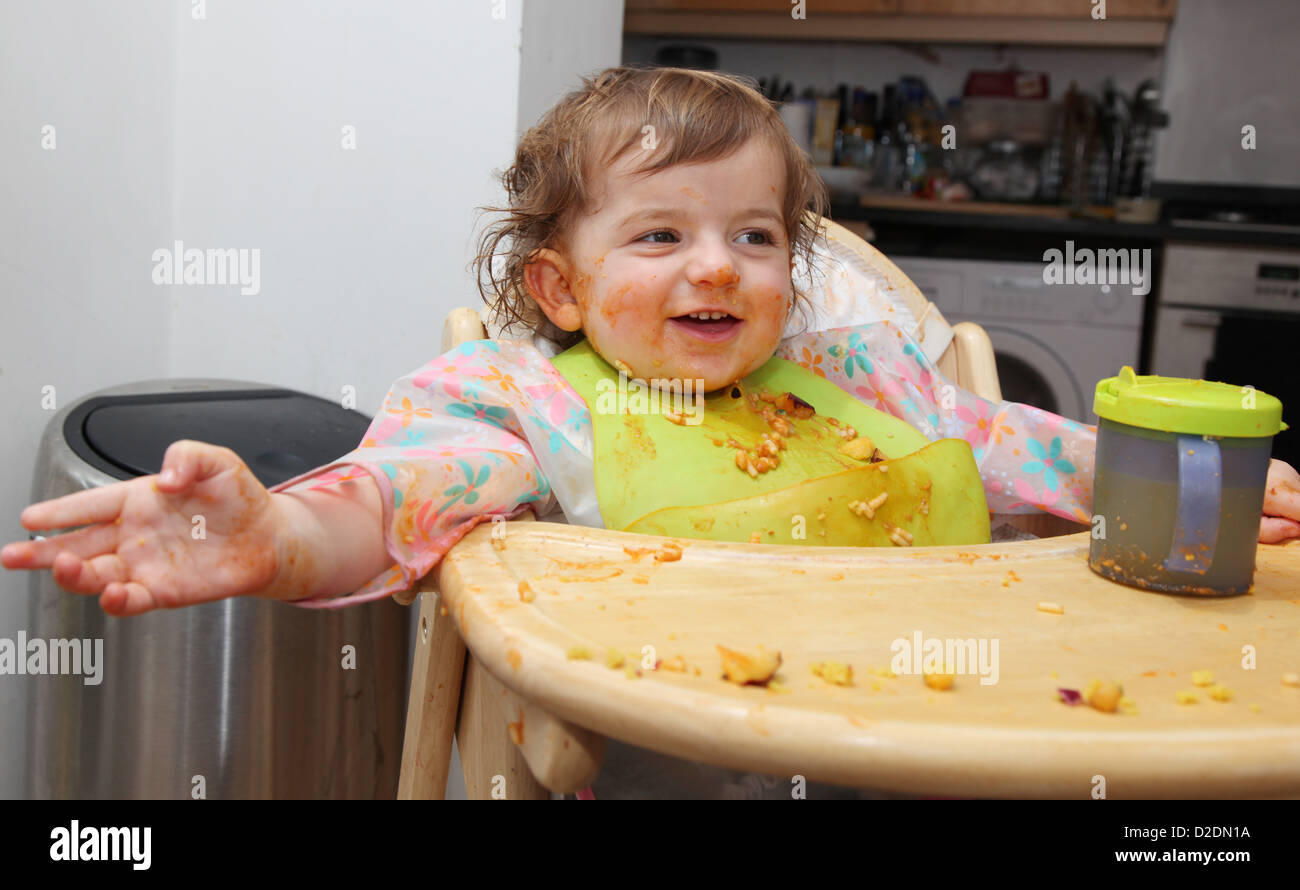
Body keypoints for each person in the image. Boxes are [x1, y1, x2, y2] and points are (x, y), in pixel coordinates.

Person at [5, 66, 1300, 798]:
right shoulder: (529, 397)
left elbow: (1016, 445)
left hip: (957, 745)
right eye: (662, 235)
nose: (721, 268)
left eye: (757, 236)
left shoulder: (856, 366)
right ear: (563, 287)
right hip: (673, 771)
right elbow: (398, 493)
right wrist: (283, 532)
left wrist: (1189, 487)